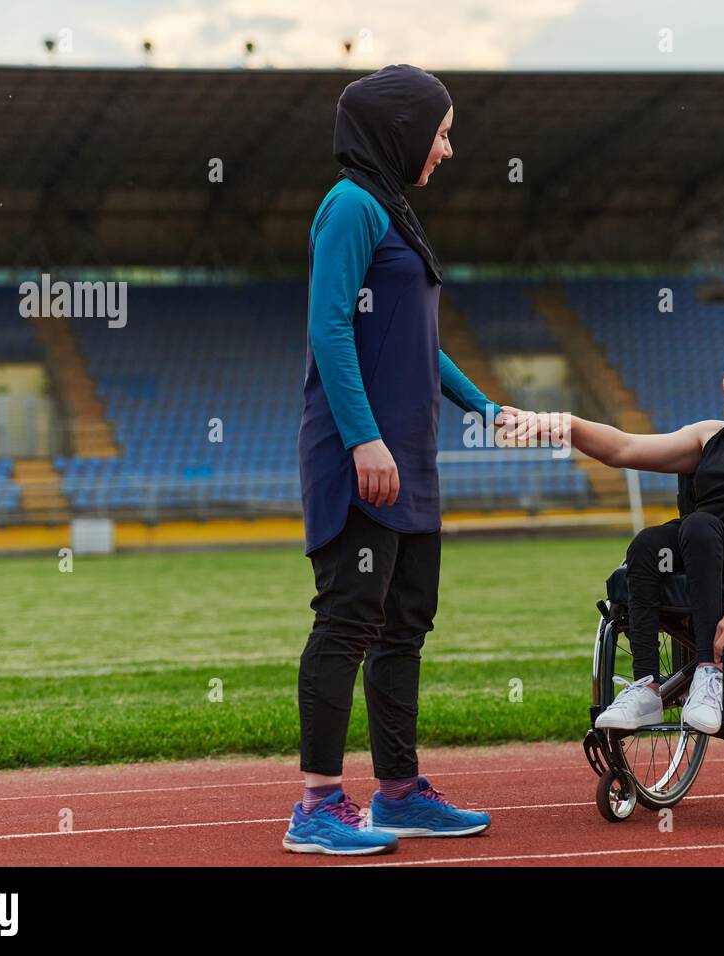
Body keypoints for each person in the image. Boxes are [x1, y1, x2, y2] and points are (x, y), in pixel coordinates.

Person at [285, 64, 523, 856]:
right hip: (362, 457)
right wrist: (361, 437)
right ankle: (316, 806)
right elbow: (328, 327)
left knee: (405, 625)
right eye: (443, 131)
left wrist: (483, 408)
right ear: (401, 129)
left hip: (407, 460)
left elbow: (421, 346)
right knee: (347, 621)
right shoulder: (350, 206)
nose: (447, 149)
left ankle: (398, 793)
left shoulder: (391, 208)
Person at [506, 328, 724, 735]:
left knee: (701, 526)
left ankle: (709, 671)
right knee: (650, 543)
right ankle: (647, 686)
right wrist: (560, 423)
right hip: (707, 556)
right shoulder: (709, 436)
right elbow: (623, 449)